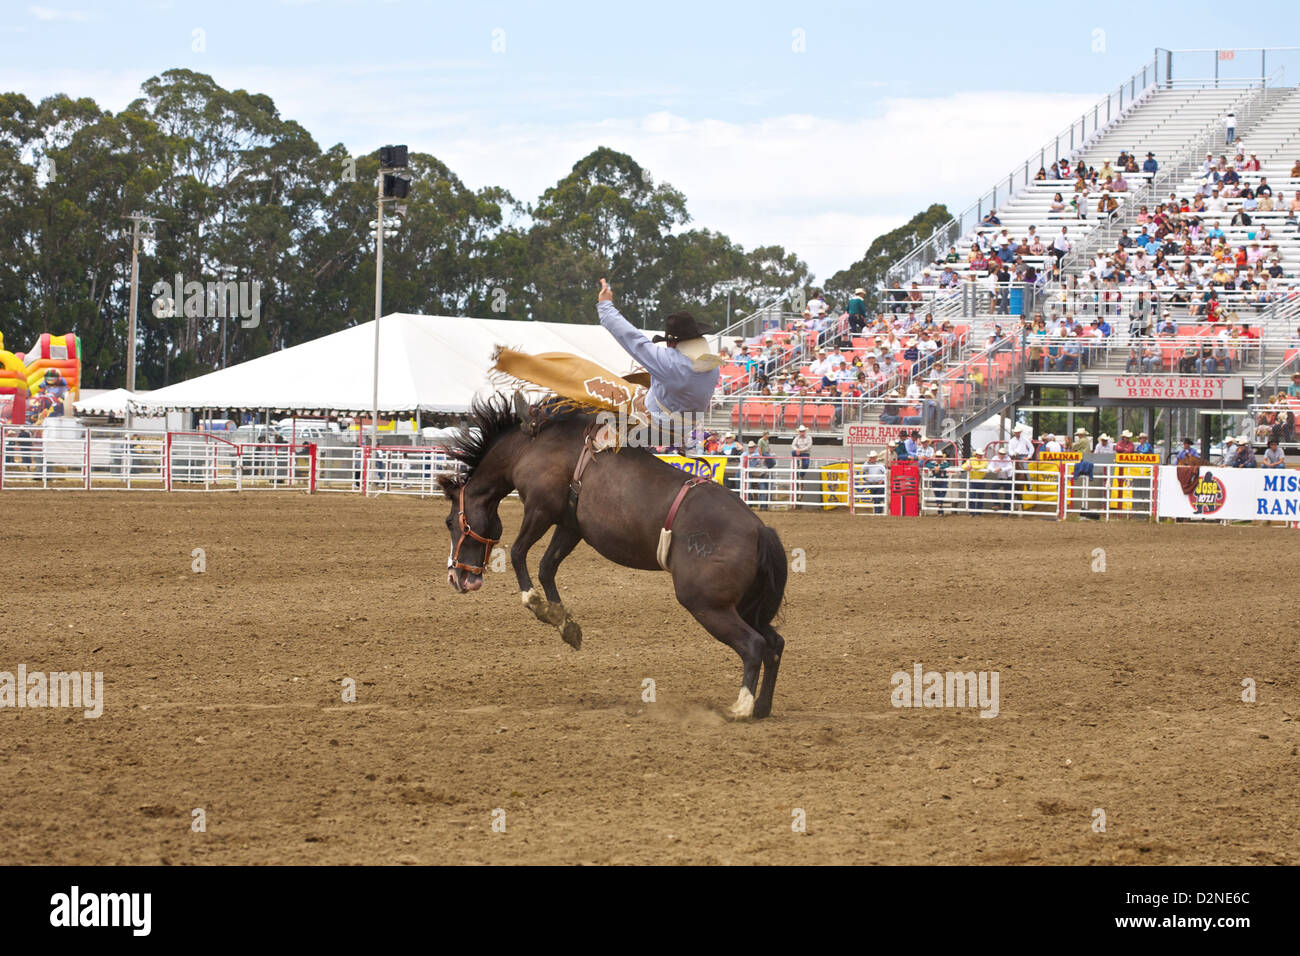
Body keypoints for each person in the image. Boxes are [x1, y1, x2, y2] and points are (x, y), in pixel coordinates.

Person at [590, 277, 723, 434]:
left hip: (661, 422)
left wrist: (606, 306)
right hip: (690, 425)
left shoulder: (668, 363)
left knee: (617, 398)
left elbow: (632, 339)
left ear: (672, 342)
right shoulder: (713, 364)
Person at [790, 424, 813, 498]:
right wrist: (797, 449)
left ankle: (801, 474)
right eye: (801, 431)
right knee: (793, 453)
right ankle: (796, 465)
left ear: (805, 431)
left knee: (805, 464)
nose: (802, 432)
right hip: (799, 453)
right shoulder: (797, 438)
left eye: (803, 431)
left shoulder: (809, 438)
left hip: (805, 453)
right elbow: (793, 445)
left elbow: (809, 446)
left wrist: (799, 450)